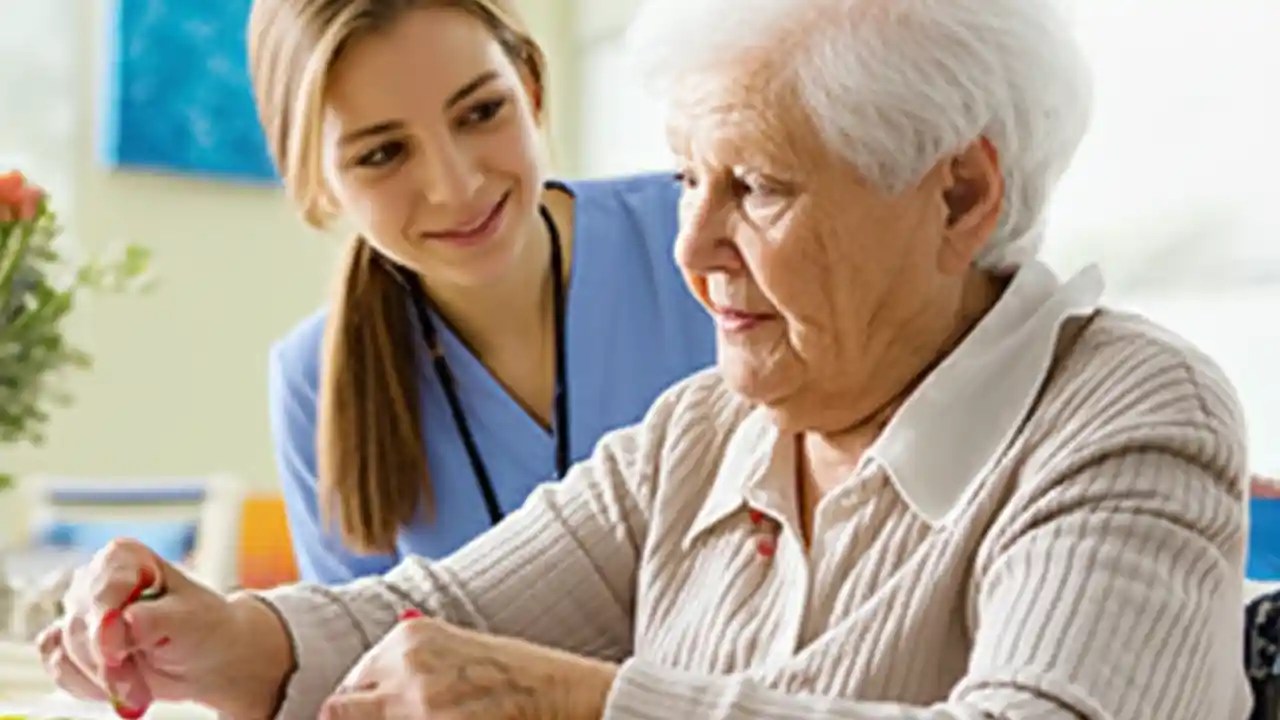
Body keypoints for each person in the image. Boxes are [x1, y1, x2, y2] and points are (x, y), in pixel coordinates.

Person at [40, 0, 1252, 717]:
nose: (689, 247)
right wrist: (223, 638)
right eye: (685, 179)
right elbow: (444, 610)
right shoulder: (700, 432)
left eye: (758, 188)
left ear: (959, 194)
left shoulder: (1122, 412)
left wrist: (579, 702)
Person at [254, 0, 715, 582]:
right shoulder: (312, 379)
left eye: (481, 112)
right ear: (318, 184)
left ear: (531, 88)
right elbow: (352, 660)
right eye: (382, 154)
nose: (455, 186)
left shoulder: (708, 239)